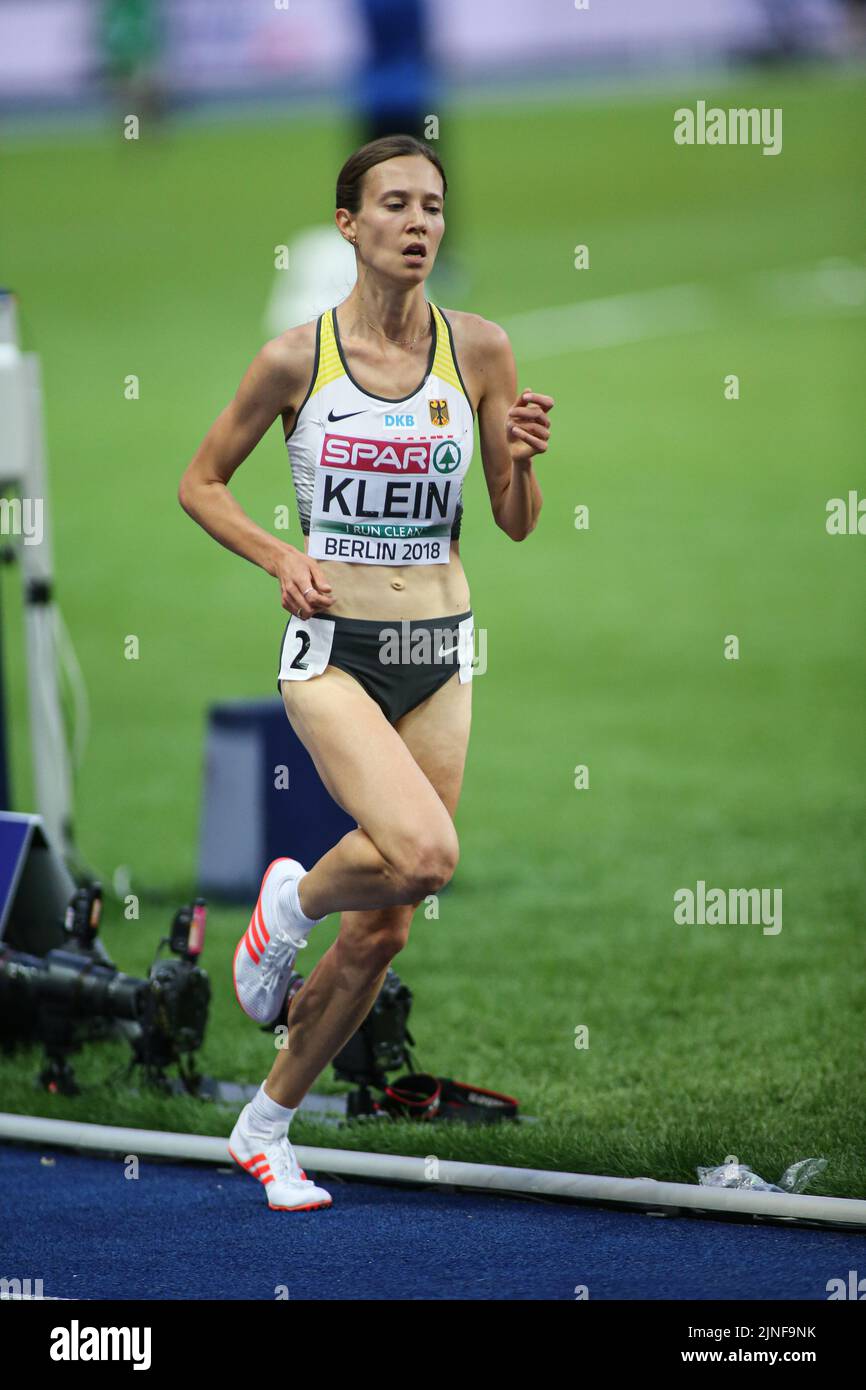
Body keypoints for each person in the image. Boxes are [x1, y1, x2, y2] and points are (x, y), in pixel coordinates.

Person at [178, 133, 554, 1211]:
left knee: (386, 919)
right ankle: (287, 905)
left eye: (431, 206)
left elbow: (513, 524)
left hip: (442, 649)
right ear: (347, 224)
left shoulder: (478, 348)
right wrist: (279, 555)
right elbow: (201, 484)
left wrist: (519, 463)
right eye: (394, 204)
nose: (418, 223)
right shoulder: (296, 359)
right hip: (333, 652)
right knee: (425, 855)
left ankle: (265, 1126)